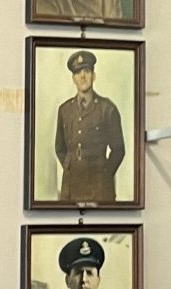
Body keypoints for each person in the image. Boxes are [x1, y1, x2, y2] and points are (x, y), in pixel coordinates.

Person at [52, 49, 126, 203]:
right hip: (71, 189)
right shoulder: (64, 110)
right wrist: (70, 168)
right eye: (78, 72)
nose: (83, 76)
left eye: (87, 71)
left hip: (99, 189)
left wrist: (104, 175)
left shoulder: (107, 109)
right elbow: (60, 147)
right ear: (73, 78)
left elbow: (118, 150)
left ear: (94, 75)